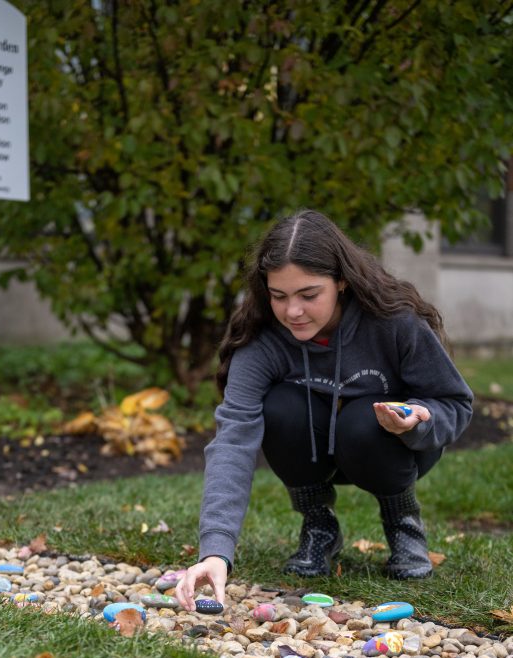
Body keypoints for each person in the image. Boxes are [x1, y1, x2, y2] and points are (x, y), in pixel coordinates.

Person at [176, 209, 473, 612]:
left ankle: (402, 522)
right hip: (310, 448)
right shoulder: (262, 339)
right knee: (278, 406)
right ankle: (319, 524)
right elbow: (232, 439)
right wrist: (215, 551)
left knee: (360, 421)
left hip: (387, 447)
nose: (292, 311)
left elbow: (455, 402)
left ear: (342, 282)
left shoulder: (394, 322)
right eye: (278, 296)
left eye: (308, 295)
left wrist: (419, 418)